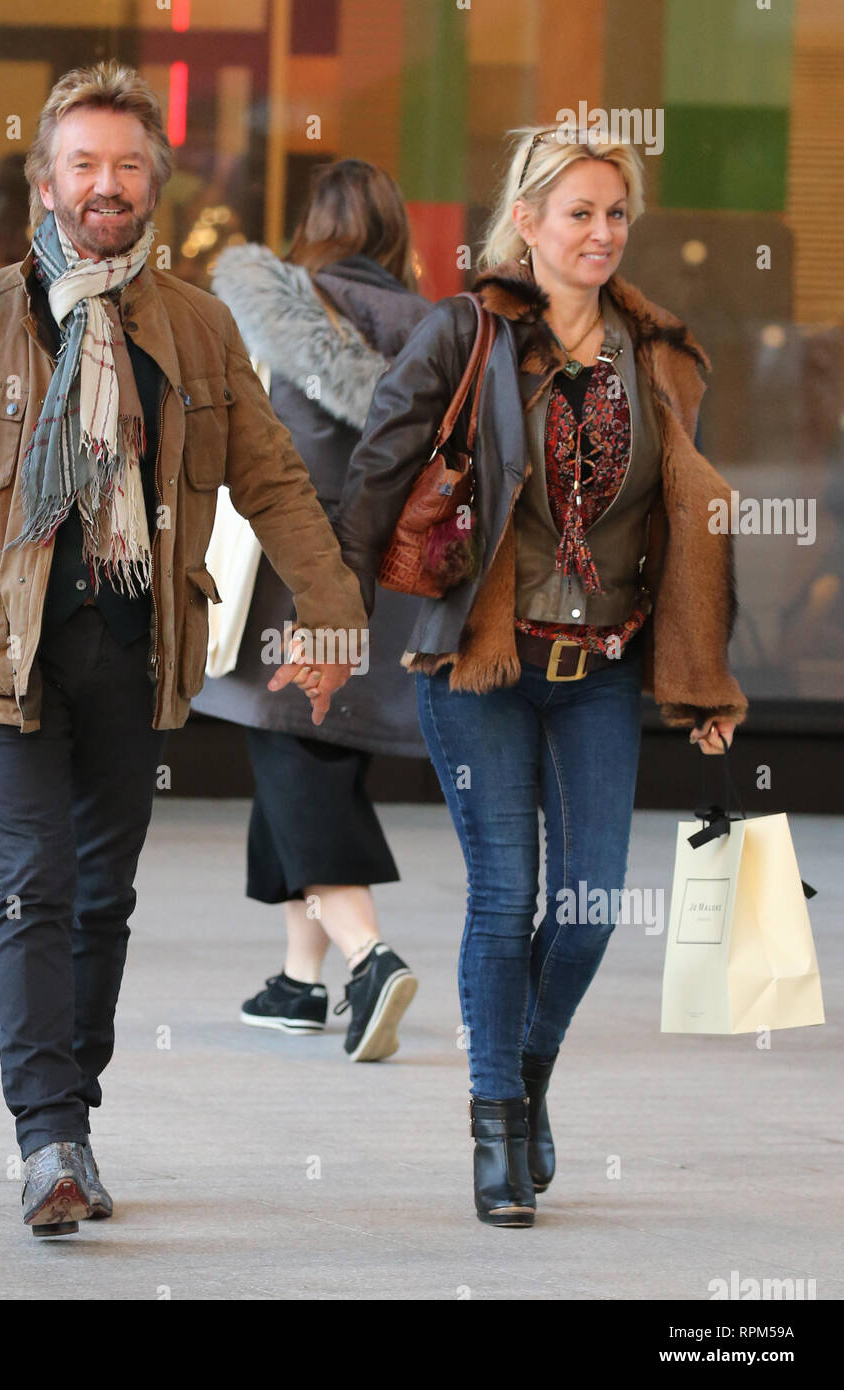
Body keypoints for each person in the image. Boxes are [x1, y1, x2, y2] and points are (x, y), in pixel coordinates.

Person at [0, 62, 367, 1238]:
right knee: (35, 886)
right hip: (6, 656)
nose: (107, 185)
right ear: (47, 181)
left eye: (128, 166)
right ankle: (46, 1136)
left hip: (139, 653)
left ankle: (70, 1117)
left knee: (101, 898)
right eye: (84, 164)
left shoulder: (196, 326)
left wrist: (334, 606)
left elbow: (274, 479)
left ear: (154, 186)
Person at [334, 125, 748, 1227]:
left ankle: (527, 1073)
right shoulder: (465, 333)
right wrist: (325, 624)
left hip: (601, 672)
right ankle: (491, 1133)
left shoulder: (655, 350)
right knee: (506, 895)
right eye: (578, 213)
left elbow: (683, 521)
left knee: (591, 905)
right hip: (480, 665)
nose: (601, 233)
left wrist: (701, 679)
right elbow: (378, 470)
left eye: (616, 214)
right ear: (527, 221)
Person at [192, 161, 431, 1060]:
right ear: (393, 232)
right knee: (310, 765)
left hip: (294, 580)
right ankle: (300, 981)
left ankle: (370, 960)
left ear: (315, 227)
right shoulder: (429, 329)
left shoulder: (277, 312)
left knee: (295, 762)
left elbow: (257, 454)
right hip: (390, 590)